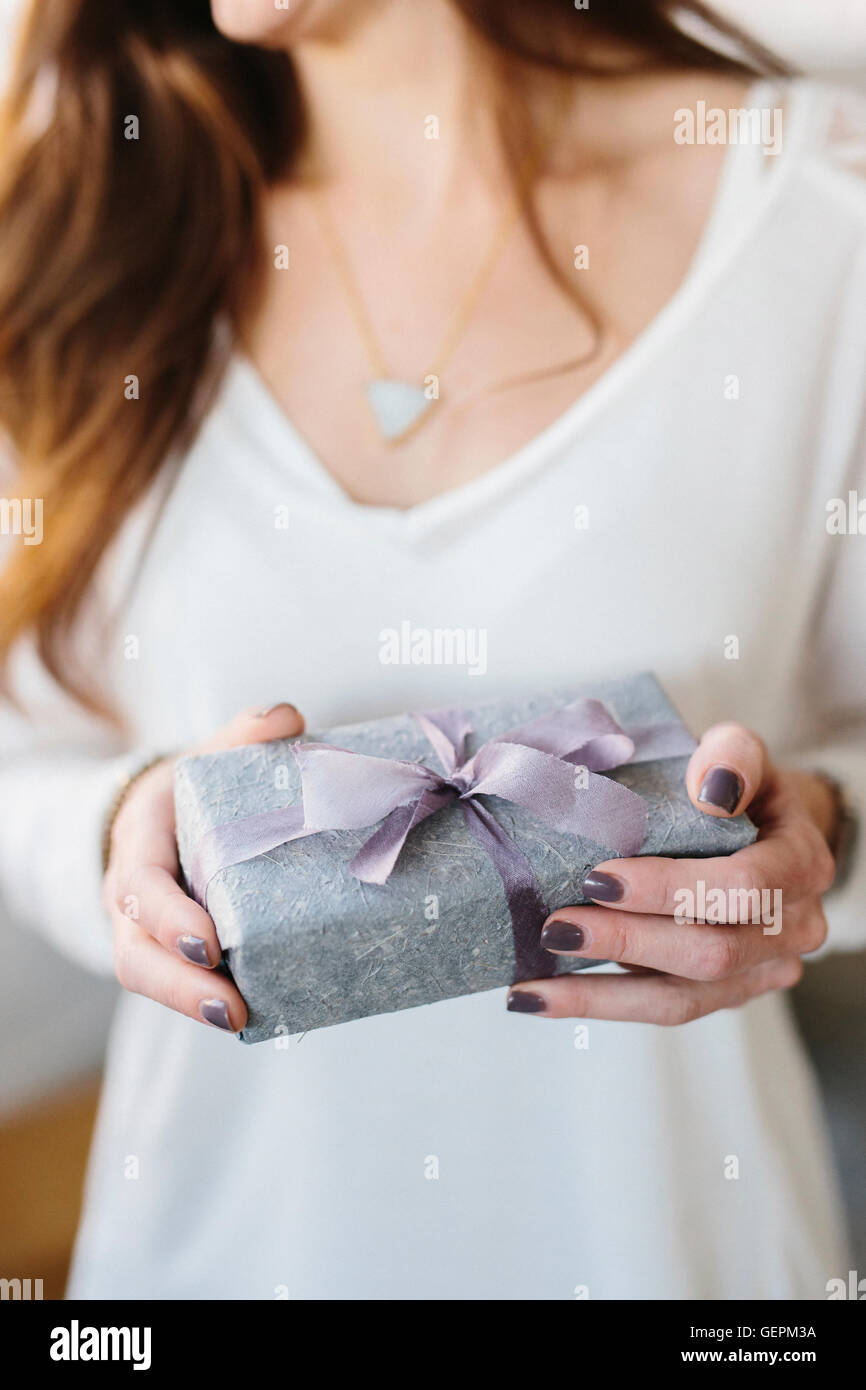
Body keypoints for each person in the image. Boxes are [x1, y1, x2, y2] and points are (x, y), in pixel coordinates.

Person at [0, 0, 863, 1299]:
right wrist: (124, 832)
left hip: (684, 1260)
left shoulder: (823, 214)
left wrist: (822, 837)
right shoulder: (72, 239)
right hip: (219, 1257)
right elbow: (20, 758)